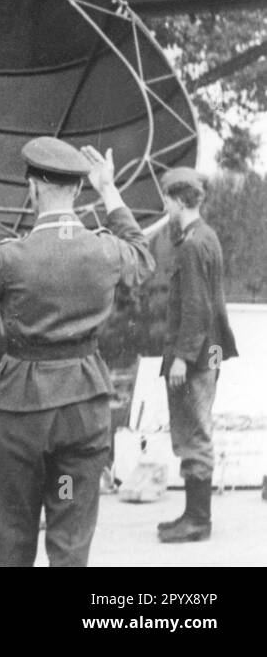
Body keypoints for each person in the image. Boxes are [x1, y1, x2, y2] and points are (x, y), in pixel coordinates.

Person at [0, 138, 154, 567]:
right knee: (71, 533)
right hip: (84, 408)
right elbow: (143, 257)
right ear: (77, 190)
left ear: (33, 189)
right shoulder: (106, 249)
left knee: (11, 535)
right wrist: (109, 189)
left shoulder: (11, 258)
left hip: (25, 412)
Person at [156, 167, 238, 543]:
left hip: (197, 353)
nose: (165, 206)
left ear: (177, 200)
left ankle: (198, 522)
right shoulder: (206, 235)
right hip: (213, 350)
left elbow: (196, 307)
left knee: (194, 431)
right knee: (198, 426)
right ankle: (193, 515)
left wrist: (181, 357)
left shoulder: (191, 245)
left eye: (166, 200)